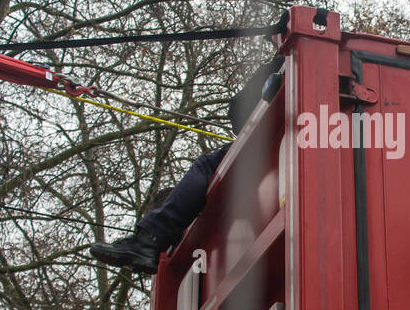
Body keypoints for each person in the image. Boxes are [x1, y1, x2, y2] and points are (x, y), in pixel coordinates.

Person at [90, 54, 284, 273]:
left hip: (275, 142)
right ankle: (153, 236)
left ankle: (152, 237)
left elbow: (238, 111)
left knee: (207, 166)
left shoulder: (287, 59)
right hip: (287, 143)